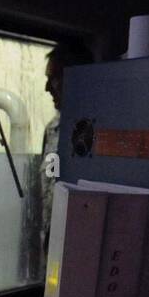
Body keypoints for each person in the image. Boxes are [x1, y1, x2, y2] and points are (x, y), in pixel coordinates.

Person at [38, 42, 93, 258]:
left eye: (54, 78)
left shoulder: (99, 130)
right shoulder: (52, 129)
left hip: (81, 250)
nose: (47, 88)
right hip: (51, 249)